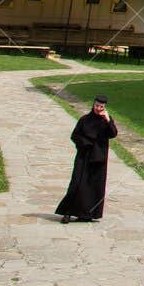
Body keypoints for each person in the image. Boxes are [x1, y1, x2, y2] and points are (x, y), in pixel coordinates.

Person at [55, 95, 117, 224]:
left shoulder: (106, 120)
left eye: (101, 107)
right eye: (96, 106)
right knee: (77, 184)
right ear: (93, 105)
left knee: (94, 186)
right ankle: (67, 213)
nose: (98, 109)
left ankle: (87, 214)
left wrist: (107, 120)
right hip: (84, 156)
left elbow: (113, 134)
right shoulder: (84, 120)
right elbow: (75, 135)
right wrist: (86, 144)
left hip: (99, 158)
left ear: (104, 107)